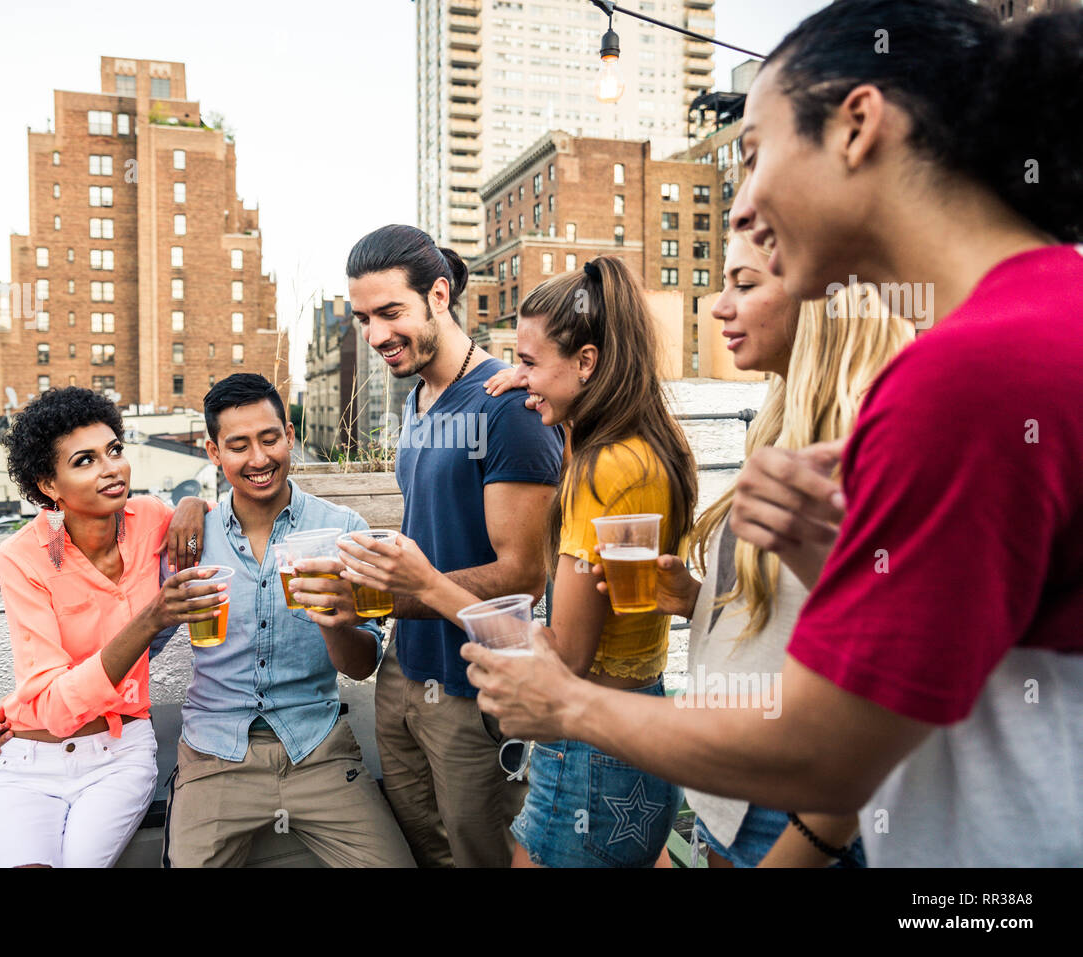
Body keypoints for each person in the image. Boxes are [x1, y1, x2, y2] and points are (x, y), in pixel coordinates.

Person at [462, 0, 1083, 867]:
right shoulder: (1046, 319)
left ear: (858, 126)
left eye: (753, 155)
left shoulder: (971, 372)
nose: (745, 202)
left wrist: (564, 703)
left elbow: (826, 752)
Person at [342, 256, 696, 867]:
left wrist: (425, 583)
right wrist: (549, 397)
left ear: (586, 363)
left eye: (528, 364)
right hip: (641, 732)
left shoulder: (604, 469)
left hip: (588, 752)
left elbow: (563, 658)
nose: (516, 379)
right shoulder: (648, 447)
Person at [666, 233, 911, 867]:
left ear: (823, 301)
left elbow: (892, 666)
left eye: (744, 285)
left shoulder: (874, 452)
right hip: (736, 785)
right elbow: (791, 620)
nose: (718, 306)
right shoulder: (783, 427)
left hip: (792, 805)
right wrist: (693, 600)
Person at [345, 224, 564, 867]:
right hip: (403, 673)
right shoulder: (419, 397)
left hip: (475, 692)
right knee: (429, 851)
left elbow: (524, 579)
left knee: (484, 856)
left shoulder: (508, 407)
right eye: (363, 318)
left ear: (439, 295)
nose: (376, 334)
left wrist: (390, 593)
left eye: (390, 312)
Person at [162, 374, 414, 868]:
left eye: (270, 438)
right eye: (238, 446)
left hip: (316, 747)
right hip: (215, 752)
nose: (258, 459)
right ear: (214, 453)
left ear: (290, 436)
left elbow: (362, 667)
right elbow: (141, 646)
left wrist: (332, 618)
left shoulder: (343, 530)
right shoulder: (190, 539)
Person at [0, 387, 221, 868]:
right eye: (84, 460)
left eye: (115, 450)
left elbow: (209, 519)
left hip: (119, 752)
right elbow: (54, 707)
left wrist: (192, 504)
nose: (111, 469)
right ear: (48, 483)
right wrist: (153, 616)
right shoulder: (22, 558)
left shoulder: (150, 519)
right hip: (28, 758)